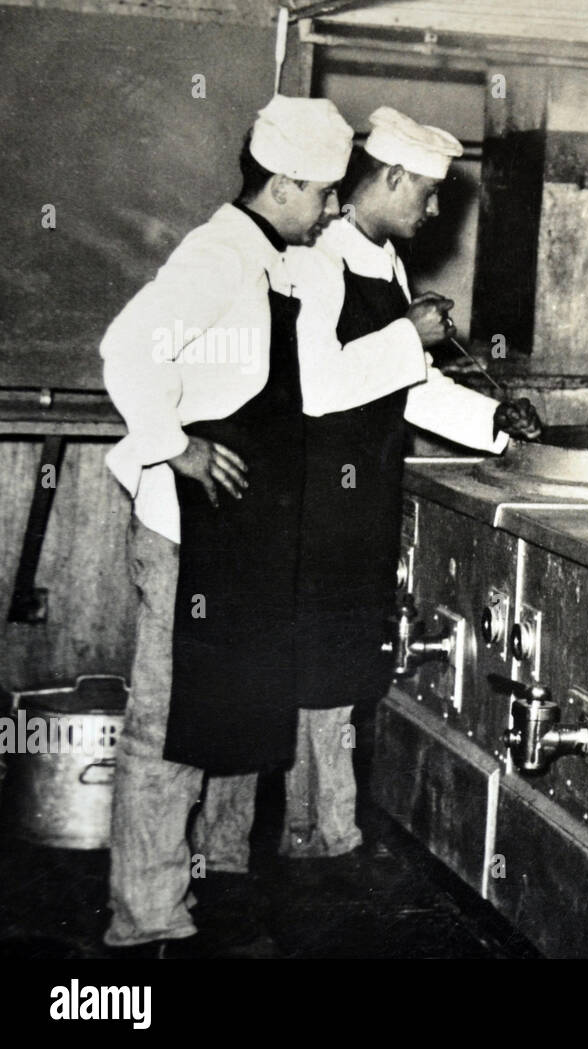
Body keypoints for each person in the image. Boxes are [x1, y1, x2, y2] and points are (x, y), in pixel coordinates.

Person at [99, 95, 354, 956]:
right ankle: (147, 919)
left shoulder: (272, 260)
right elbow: (127, 350)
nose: (330, 212)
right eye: (322, 195)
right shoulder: (218, 256)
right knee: (167, 728)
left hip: (244, 534)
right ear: (283, 184)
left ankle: (221, 881)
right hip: (191, 536)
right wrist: (176, 447)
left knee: (239, 709)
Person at [279, 106, 542, 866]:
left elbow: (409, 389)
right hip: (320, 495)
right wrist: (408, 337)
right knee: (322, 667)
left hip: (360, 497)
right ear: (389, 176)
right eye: (425, 194)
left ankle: (314, 827)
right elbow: (317, 386)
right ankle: (327, 830)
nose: (432, 214)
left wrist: (498, 420)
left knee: (330, 667)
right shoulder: (318, 257)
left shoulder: (382, 261)